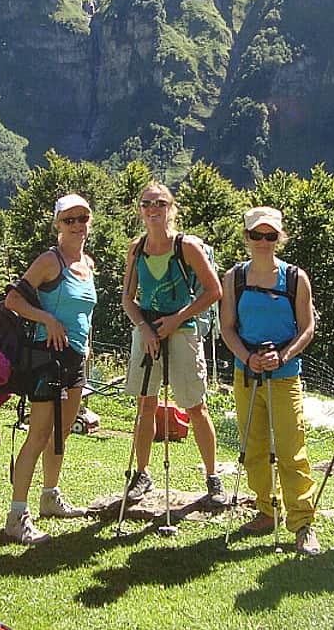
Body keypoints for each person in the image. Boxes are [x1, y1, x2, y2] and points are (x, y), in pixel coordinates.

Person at [219, 207, 319, 555]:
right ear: (246, 237)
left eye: (270, 235)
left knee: (291, 450)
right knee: (254, 448)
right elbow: (227, 328)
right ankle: (266, 509)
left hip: (284, 376)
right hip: (246, 374)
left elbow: (307, 328)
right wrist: (248, 358)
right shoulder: (233, 278)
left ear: (279, 237)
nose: (263, 241)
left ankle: (302, 523)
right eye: (257, 235)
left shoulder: (295, 278)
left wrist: (283, 356)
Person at [120, 182, 225, 505]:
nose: (153, 209)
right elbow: (127, 298)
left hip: (182, 331)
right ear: (140, 209)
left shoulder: (186, 246)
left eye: (160, 203)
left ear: (171, 208)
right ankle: (142, 473)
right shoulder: (136, 248)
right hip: (147, 331)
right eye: (147, 203)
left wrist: (177, 319)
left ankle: (213, 477)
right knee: (145, 405)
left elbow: (214, 291)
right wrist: (144, 328)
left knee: (195, 406)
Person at [1, 194, 98, 544]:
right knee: (39, 434)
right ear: (57, 224)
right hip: (48, 358)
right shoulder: (49, 261)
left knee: (62, 432)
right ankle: (17, 516)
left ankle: (50, 497)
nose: (77, 225)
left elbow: (84, 313)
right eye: (69, 220)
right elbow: (13, 299)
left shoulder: (88, 264)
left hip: (75, 359)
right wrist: (47, 319)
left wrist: (86, 346)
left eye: (82, 218)